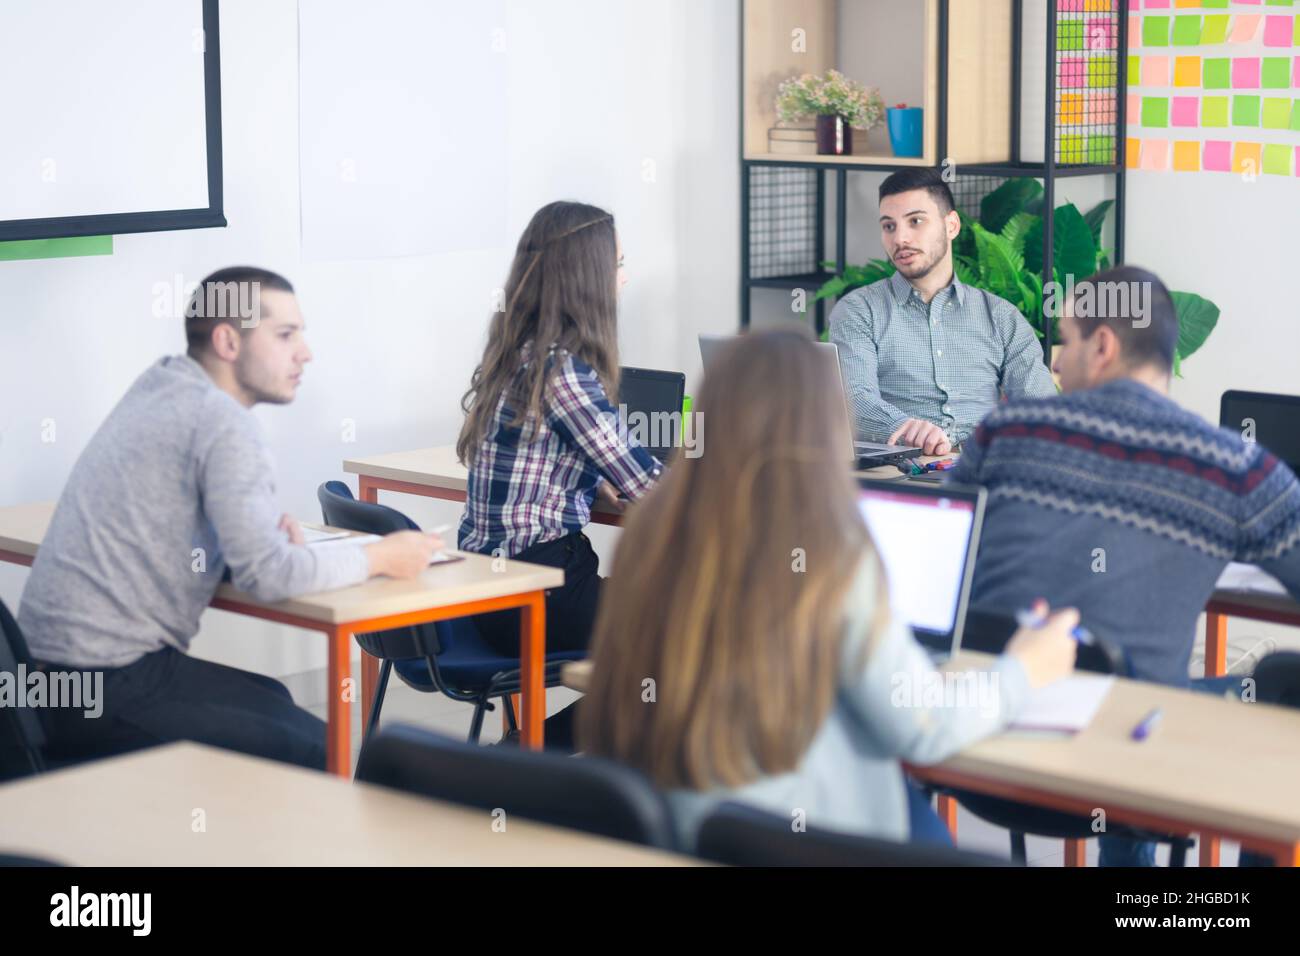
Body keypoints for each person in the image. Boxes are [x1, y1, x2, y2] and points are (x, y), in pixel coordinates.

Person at [578, 326, 1077, 850]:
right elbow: (925, 728)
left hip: (687, 833)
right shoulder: (832, 556)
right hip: (808, 841)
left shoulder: (651, 536)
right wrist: (1024, 670)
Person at [19, 267, 441, 770]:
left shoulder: (162, 385)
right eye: (285, 335)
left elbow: (204, 541)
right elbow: (270, 577)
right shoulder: (223, 422)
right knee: (317, 745)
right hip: (106, 682)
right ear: (227, 341)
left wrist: (260, 543)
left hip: (41, 678)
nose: (305, 352)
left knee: (273, 697)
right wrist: (381, 555)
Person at [947, 265, 1300, 865]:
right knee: (1280, 682)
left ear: (1103, 344)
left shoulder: (1003, 430)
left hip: (969, 746)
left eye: (1063, 339)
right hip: (1128, 772)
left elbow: (940, 571)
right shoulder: (1233, 467)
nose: (1054, 362)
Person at [456, 201, 661, 748]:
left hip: (486, 585)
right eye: (617, 263)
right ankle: (529, 756)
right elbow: (650, 490)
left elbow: (559, 458)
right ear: (589, 277)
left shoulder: (518, 354)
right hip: (537, 590)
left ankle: (529, 754)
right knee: (690, 639)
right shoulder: (565, 372)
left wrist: (593, 476)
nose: (625, 275)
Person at [830, 167, 1055, 455]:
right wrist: (910, 430)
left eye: (915, 221)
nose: (901, 239)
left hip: (983, 468)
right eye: (889, 226)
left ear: (951, 226)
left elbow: (1041, 409)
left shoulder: (1001, 316)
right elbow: (854, 400)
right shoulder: (859, 310)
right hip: (901, 468)